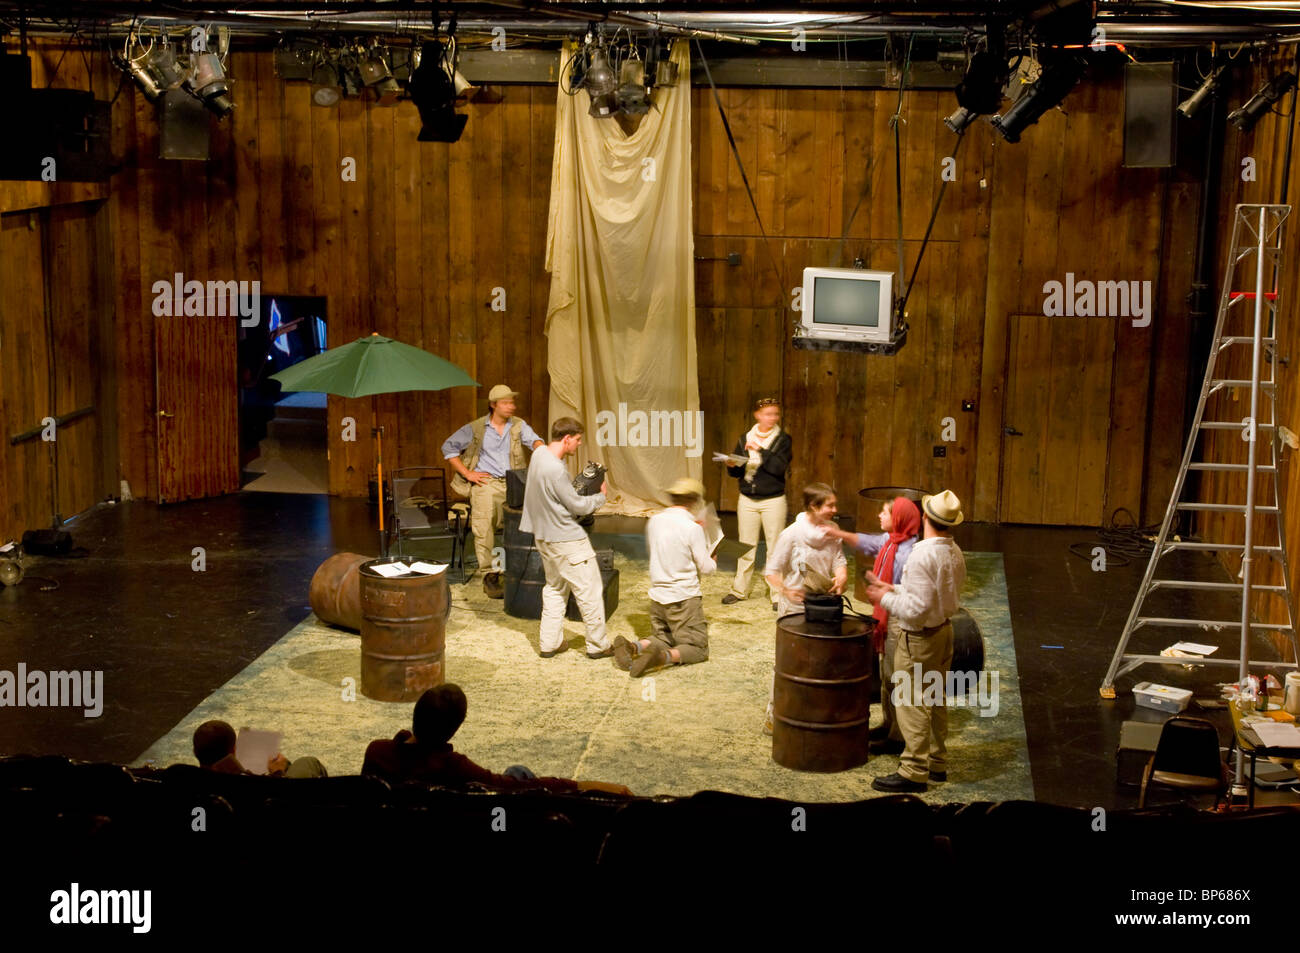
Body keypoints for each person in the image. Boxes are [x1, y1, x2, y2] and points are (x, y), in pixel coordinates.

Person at [864, 490, 967, 793]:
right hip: (944, 633)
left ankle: (913, 769)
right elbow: (929, 593)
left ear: (925, 517)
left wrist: (883, 597)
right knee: (934, 700)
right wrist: (894, 587)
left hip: (918, 639)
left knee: (912, 703)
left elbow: (915, 610)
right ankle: (936, 763)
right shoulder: (954, 551)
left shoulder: (922, 553)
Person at [362, 684, 631, 794]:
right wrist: (581, 784)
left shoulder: (377, 751)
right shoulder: (453, 766)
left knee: (515, 772)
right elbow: (518, 789)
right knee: (519, 774)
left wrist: (404, 739)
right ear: (453, 731)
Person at [819, 496, 921, 754]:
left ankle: (898, 737)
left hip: (898, 620)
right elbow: (866, 541)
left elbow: (909, 594)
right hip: (887, 618)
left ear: (897, 519)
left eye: (885, 513)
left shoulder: (908, 553)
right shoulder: (892, 541)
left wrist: (883, 595)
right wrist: (837, 532)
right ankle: (889, 725)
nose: (879, 516)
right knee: (887, 677)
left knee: (897, 678)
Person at [519, 417, 612, 659]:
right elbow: (577, 506)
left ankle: (550, 643)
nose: (579, 445)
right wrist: (600, 497)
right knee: (590, 591)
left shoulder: (539, 455)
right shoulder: (556, 468)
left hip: (544, 537)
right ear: (567, 438)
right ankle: (598, 646)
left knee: (554, 588)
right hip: (565, 539)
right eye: (578, 440)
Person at [442, 384, 545, 599]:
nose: (511, 407)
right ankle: (488, 573)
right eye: (506, 403)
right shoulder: (477, 428)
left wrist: (540, 448)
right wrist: (468, 474)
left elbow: (534, 440)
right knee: (483, 524)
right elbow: (448, 447)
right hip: (486, 483)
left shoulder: (518, 425)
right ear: (493, 405)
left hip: (513, 482)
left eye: (512, 402)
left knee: (526, 521)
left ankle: (523, 567)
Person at [761, 483, 848, 734]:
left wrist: (840, 576)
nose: (835, 509)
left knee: (821, 663)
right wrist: (786, 590)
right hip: (795, 609)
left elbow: (839, 559)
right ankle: (774, 714)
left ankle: (811, 714)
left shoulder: (833, 531)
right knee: (789, 663)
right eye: (829, 505)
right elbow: (772, 571)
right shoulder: (791, 534)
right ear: (813, 506)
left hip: (823, 606)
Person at [616, 477, 717, 677]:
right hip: (682, 598)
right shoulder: (693, 528)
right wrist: (713, 558)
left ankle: (634, 647)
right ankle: (660, 658)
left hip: (658, 596)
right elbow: (706, 568)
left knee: (663, 636)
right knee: (697, 648)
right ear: (695, 501)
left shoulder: (655, 521)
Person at [723, 397, 792, 610]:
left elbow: (778, 468)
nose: (772, 418)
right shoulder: (745, 437)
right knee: (745, 546)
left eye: (775, 414)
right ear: (757, 415)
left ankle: (777, 594)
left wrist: (760, 450)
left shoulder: (782, 439)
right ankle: (739, 590)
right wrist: (732, 464)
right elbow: (737, 472)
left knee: (774, 548)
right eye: (768, 414)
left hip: (773, 500)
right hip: (748, 499)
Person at [191, 720, 327, 778]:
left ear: (195, 752)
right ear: (233, 751)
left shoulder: (180, 778)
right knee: (308, 762)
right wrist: (278, 772)